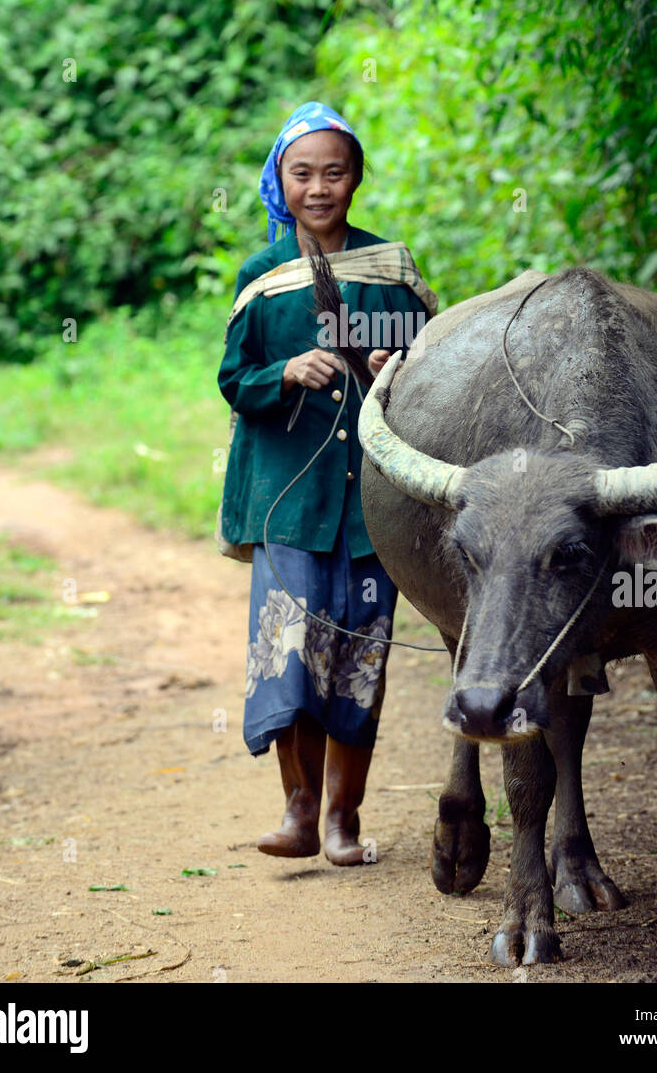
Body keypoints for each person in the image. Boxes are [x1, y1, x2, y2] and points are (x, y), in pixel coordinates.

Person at [217, 101, 436, 865]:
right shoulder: (261, 276)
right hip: (289, 496)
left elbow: (428, 378)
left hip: (371, 503)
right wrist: (282, 371)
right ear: (280, 179)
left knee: (359, 656)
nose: (318, 186)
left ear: (355, 179)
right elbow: (233, 380)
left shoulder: (391, 270)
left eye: (333, 172)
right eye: (301, 172)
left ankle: (345, 818)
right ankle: (299, 811)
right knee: (290, 652)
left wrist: (389, 372)